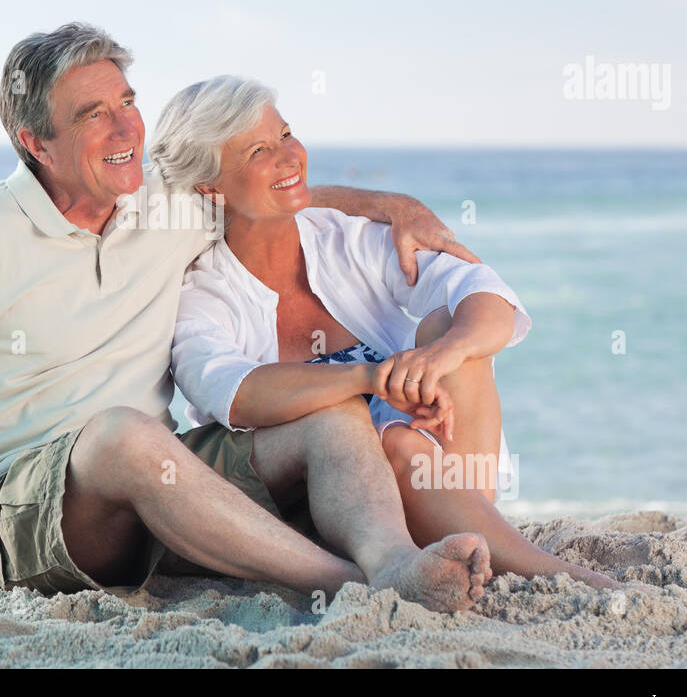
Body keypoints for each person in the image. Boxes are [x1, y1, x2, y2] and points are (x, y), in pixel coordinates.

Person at [0, 22, 497, 613]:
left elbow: (261, 189)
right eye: (93, 115)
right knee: (123, 435)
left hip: (163, 488)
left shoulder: (160, 200)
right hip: (20, 518)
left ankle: (393, 562)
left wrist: (392, 205)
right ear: (36, 143)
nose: (125, 130)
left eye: (127, 101)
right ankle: (350, 584)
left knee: (329, 410)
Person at [148, 74, 625, 591]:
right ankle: (559, 574)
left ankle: (472, 537)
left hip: (440, 475)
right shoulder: (205, 292)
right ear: (210, 188)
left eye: (286, 135)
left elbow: (485, 294)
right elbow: (233, 393)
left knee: (448, 330)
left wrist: (443, 354)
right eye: (258, 150)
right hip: (329, 512)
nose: (289, 157)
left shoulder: (345, 238)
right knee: (395, 444)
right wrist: (371, 377)